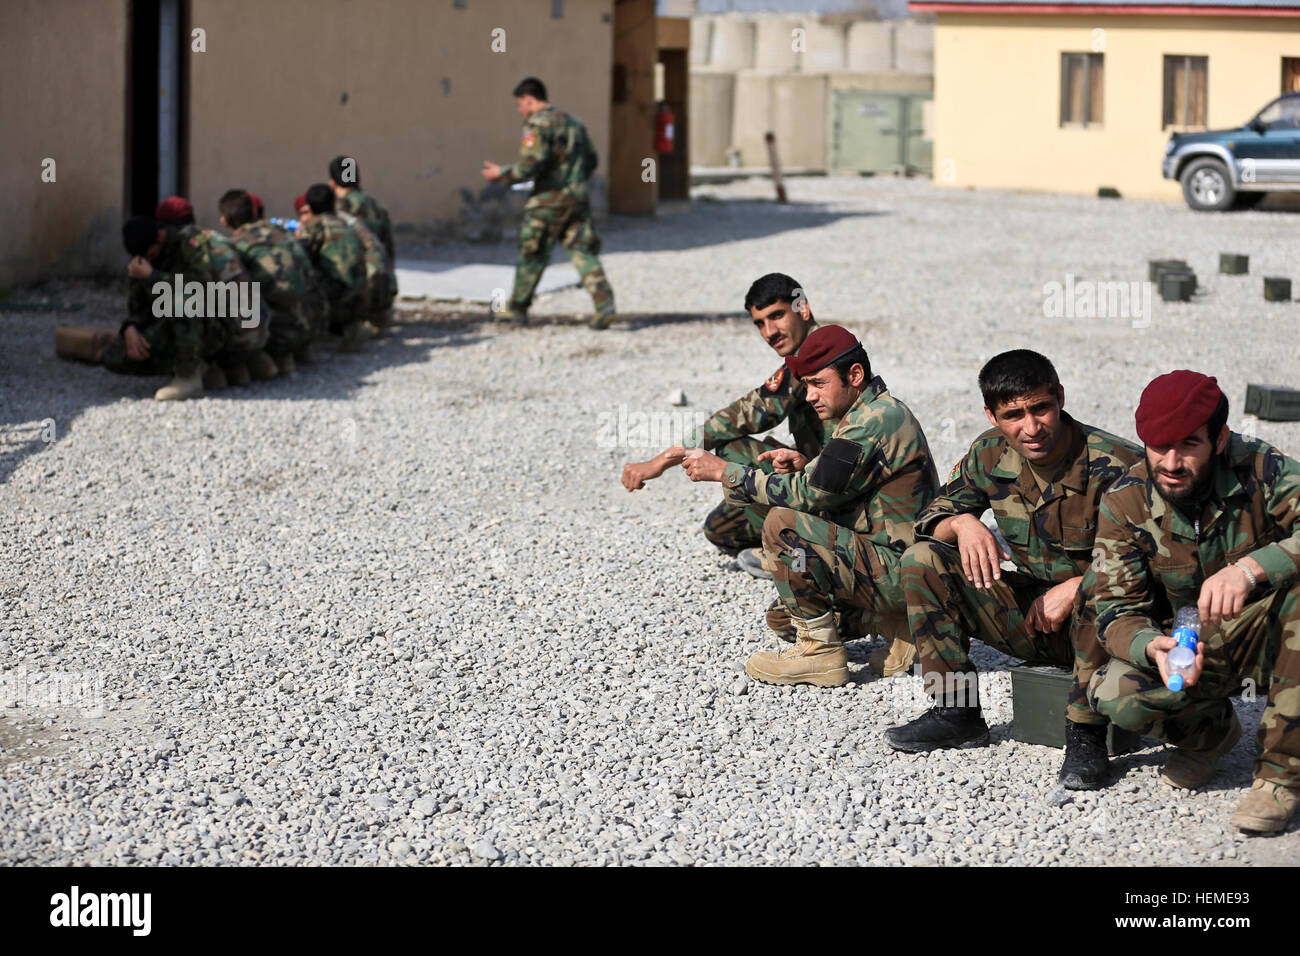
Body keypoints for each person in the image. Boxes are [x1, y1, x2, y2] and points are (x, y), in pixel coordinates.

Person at [883, 350, 1142, 791]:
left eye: (1040, 408)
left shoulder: (1117, 464)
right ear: (992, 414)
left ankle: (1086, 736)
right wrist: (963, 523)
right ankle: (956, 711)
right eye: (1013, 414)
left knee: (1101, 594)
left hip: (1111, 627)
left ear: (1059, 398)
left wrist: (1080, 585)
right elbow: (928, 520)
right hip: (1037, 617)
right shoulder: (990, 452)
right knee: (923, 561)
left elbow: (1156, 564)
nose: (1031, 427)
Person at [1087, 371, 1300, 832]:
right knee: (1114, 693)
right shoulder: (1126, 499)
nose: (1170, 461)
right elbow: (1113, 607)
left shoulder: (1262, 469)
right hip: (1191, 644)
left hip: (1272, 634)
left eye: (1188, 444)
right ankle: (1211, 733)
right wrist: (1150, 645)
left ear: (1220, 439)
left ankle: (1279, 777)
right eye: (1158, 445)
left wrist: (1252, 569)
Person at [681, 325, 939, 688]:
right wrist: (805, 465)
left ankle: (821, 654)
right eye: (806, 386)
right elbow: (840, 485)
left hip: (904, 572)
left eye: (819, 383)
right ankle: (895, 624)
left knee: (783, 523)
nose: (811, 395)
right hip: (893, 565)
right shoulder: (864, 413)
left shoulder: (876, 419)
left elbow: (808, 496)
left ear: (855, 375)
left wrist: (726, 472)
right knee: (783, 618)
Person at [621, 273, 829, 564]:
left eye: (777, 316)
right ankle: (793, 540)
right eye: (760, 323)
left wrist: (659, 463)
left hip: (836, 494)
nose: (770, 332)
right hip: (822, 478)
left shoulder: (818, 353)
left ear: (802, 309)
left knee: (734, 449)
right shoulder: (814, 348)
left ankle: (800, 554)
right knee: (721, 529)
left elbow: (737, 418)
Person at [101, 197, 269, 399]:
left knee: (182, 299)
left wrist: (154, 276)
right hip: (231, 328)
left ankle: (189, 376)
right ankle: (215, 368)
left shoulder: (189, 243)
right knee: (113, 356)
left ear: (160, 235)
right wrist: (130, 327)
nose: (149, 260)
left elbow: (201, 287)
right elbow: (139, 305)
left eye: (151, 254)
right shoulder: (145, 258)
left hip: (227, 329)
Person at [480, 76, 615, 329]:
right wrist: (573, 182)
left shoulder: (536, 125)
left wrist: (503, 174)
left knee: (533, 253)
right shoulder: (575, 123)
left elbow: (532, 163)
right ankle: (604, 304)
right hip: (576, 199)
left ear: (529, 99)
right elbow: (592, 160)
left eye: (520, 104)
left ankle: (517, 309)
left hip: (547, 203)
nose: (520, 110)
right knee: (582, 251)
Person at [219, 188, 327, 372]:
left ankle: (268, 358)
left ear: (224, 221)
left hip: (278, 334)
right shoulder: (284, 233)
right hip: (316, 326)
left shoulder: (236, 245)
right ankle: (293, 352)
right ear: (255, 212)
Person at [296, 184, 368, 351]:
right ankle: (350, 328)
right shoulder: (347, 223)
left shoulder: (315, 225)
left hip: (335, 292)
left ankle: (311, 334)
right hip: (359, 293)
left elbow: (301, 257)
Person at [329, 156, 398, 331]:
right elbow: (388, 248)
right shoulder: (377, 207)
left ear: (332, 183)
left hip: (353, 289)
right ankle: (378, 314)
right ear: (358, 179)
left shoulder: (335, 209)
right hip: (382, 283)